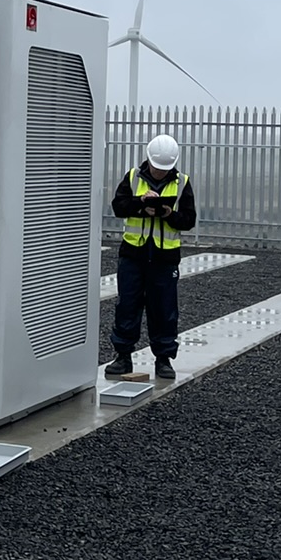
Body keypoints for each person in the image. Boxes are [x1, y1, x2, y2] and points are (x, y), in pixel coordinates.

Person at [107, 133, 197, 383]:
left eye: (163, 169)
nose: (159, 172)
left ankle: (164, 358)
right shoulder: (133, 177)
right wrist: (140, 204)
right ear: (149, 161)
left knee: (164, 309)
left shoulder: (182, 183)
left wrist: (168, 213)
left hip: (164, 258)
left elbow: (189, 220)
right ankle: (123, 355)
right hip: (133, 255)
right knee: (127, 305)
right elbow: (118, 207)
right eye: (157, 168)